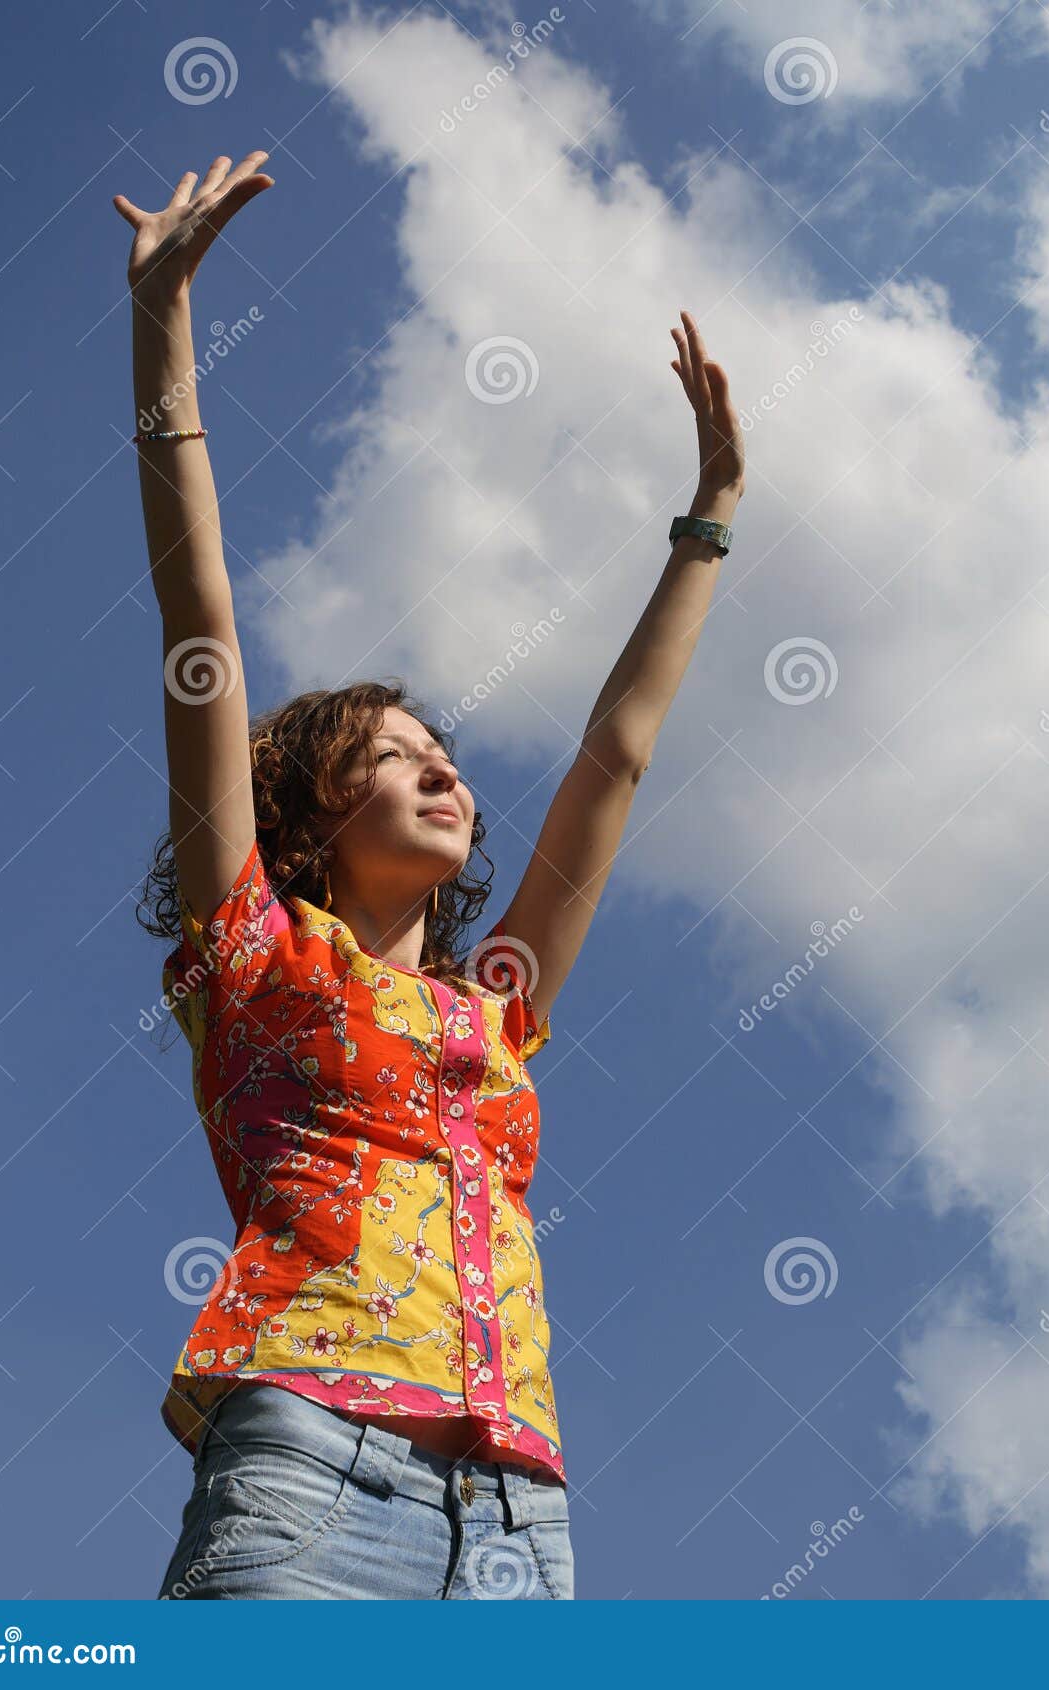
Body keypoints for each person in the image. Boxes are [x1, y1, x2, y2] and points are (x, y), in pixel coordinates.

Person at [114, 150, 746, 1599]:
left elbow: (616, 758)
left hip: (526, 1517)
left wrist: (708, 514)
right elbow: (193, 607)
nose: (440, 769)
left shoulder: (497, 1006)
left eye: (442, 748)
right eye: (390, 756)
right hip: (310, 1469)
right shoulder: (254, 955)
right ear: (305, 812)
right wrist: (161, 322)